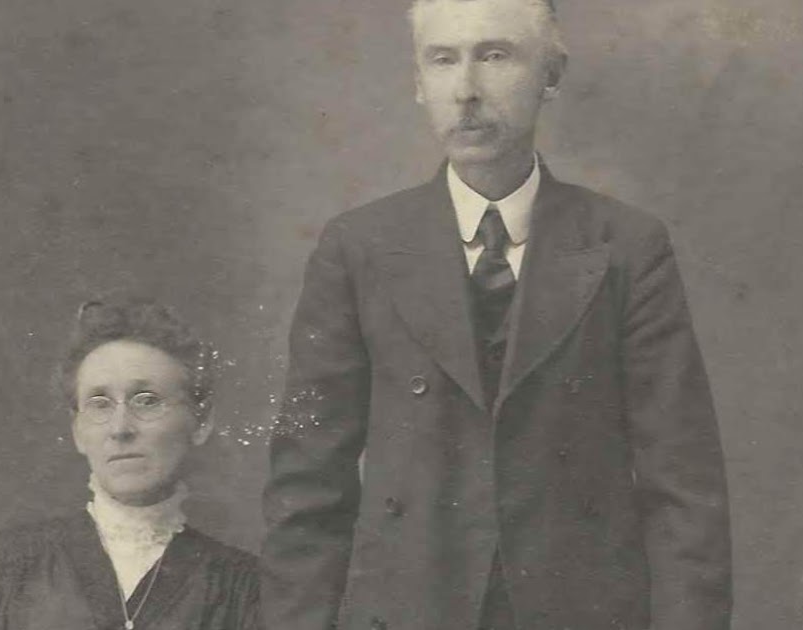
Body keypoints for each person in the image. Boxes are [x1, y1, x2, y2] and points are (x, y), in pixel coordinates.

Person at [261, 1, 732, 629]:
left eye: (495, 55)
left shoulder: (626, 247)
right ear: (418, 83)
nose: (466, 90)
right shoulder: (358, 249)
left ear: (551, 74)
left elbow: (684, 490)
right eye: (443, 59)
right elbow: (306, 489)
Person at [0, 294, 260, 630]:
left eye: (147, 400)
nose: (120, 428)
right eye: (100, 403)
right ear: (78, 431)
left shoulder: (246, 592)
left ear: (201, 423)